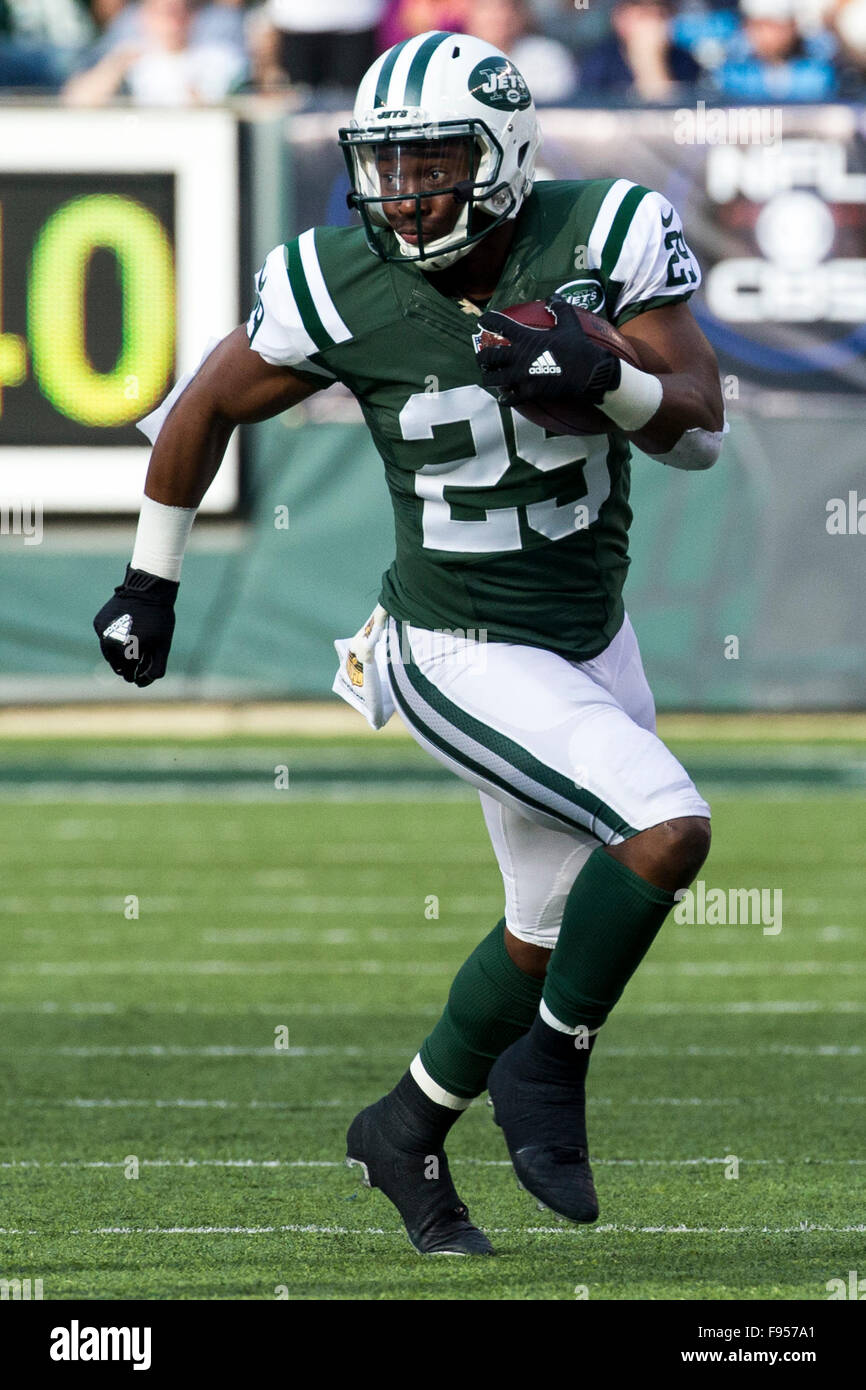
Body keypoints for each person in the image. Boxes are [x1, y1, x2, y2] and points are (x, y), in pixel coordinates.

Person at [93, 28, 725, 1255]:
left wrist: (601, 374)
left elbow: (696, 430)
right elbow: (201, 403)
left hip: (589, 636)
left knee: (541, 931)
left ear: (503, 156)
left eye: (430, 163)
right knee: (665, 828)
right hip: (453, 641)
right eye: (384, 165)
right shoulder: (338, 279)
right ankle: (549, 1067)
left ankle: (404, 1127)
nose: (403, 192)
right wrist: (146, 582)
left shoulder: (603, 233)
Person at [62, 0, 248, 105]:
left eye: (179, 11)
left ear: (193, 15)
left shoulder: (219, 59)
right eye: (162, 12)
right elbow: (77, 101)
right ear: (143, 16)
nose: (171, 21)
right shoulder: (127, 58)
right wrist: (115, 67)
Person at [580, 0, 702, 100]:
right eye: (643, 15)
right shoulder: (599, 62)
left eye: (660, 15)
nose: (652, 24)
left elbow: (676, 113)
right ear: (620, 18)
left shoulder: (685, 61)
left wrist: (652, 63)